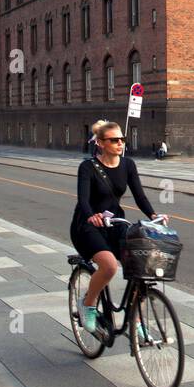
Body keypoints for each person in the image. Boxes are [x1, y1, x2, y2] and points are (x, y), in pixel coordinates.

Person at [70, 120, 167, 336]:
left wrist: (153, 215)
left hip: (115, 224)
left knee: (140, 266)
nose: (120, 143)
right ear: (101, 143)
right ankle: (87, 304)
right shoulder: (87, 167)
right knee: (110, 266)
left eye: (121, 139)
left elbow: (139, 195)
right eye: (114, 140)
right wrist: (91, 217)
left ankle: (137, 321)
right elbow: (83, 200)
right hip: (88, 226)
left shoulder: (128, 165)